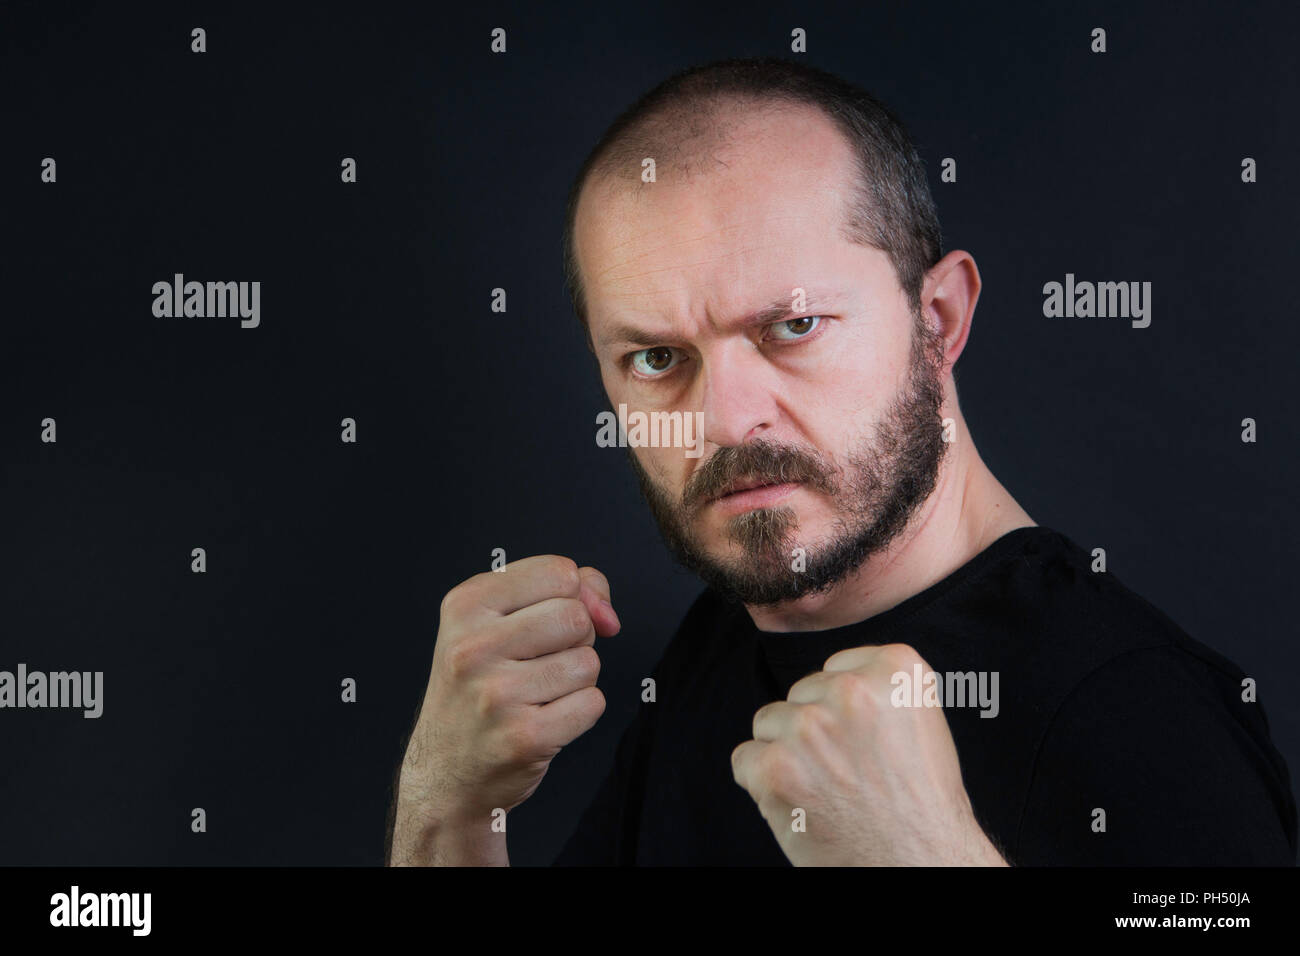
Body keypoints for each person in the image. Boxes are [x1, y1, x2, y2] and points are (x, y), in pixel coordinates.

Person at [385, 57, 1296, 866]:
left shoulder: (1140, 716)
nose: (728, 422)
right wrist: (446, 811)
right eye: (657, 359)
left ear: (937, 320)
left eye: (793, 326)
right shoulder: (723, 642)